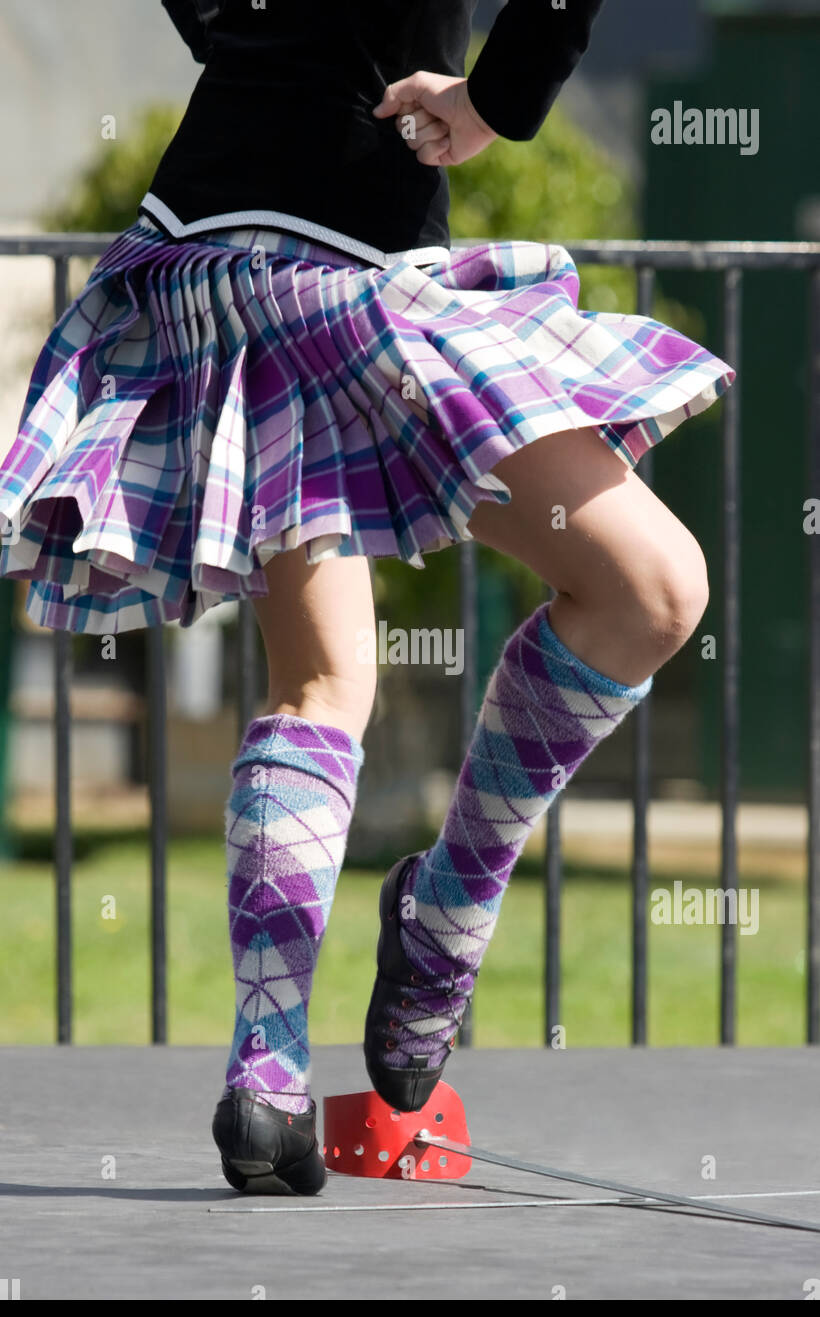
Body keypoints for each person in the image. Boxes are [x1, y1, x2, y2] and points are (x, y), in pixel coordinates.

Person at [0, 1, 734, 1196]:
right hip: (340, 262)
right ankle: (442, 923)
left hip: (204, 257)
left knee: (327, 680)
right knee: (652, 590)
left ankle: (268, 1077)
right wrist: (497, 100)